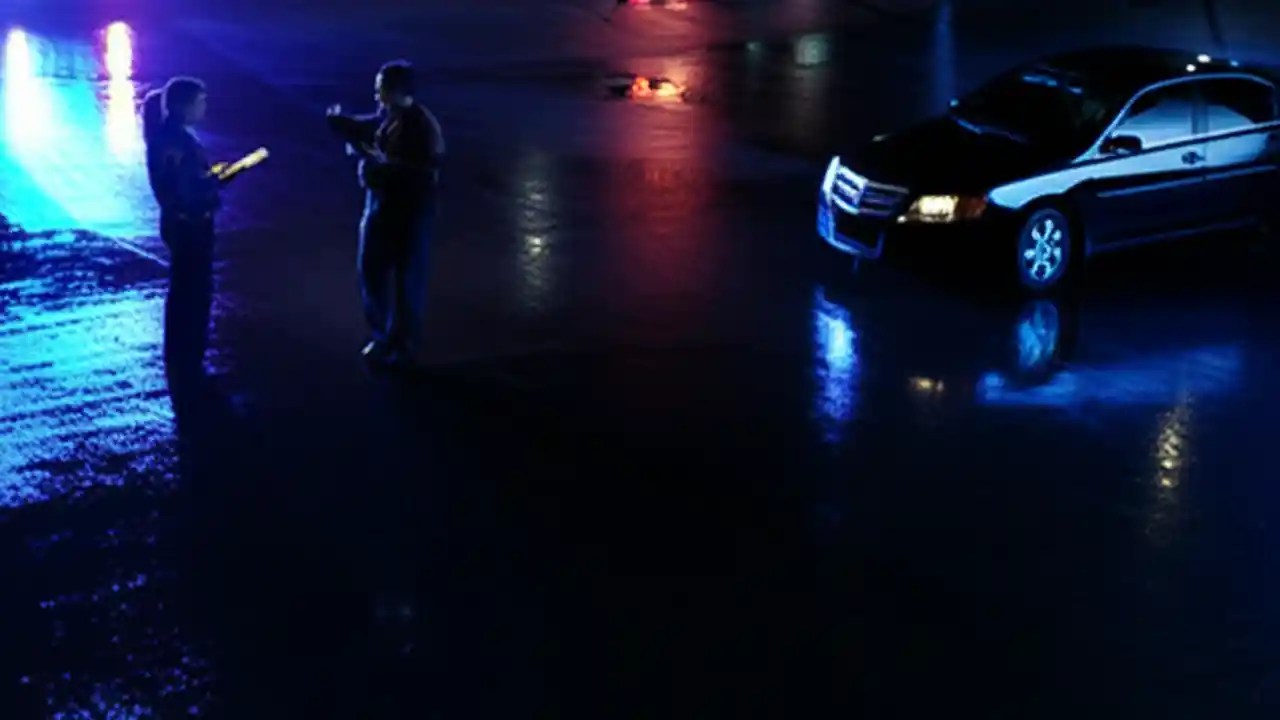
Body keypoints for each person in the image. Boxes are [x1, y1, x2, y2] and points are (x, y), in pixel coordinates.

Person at [326, 59, 444, 369]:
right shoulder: (390, 116)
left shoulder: (423, 127)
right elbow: (367, 126)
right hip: (380, 207)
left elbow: (422, 173)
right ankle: (383, 338)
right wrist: (342, 123)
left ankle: (403, 346)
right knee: (372, 272)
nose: (376, 96)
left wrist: (380, 168)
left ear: (395, 91)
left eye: (380, 90)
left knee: (406, 282)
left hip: (409, 215)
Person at [141, 76, 226, 381]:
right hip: (189, 225)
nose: (205, 107)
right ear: (184, 105)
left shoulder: (171, 138)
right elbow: (183, 188)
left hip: (182, 223)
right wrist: (214, 183)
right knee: (192, 292)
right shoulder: (176, 142)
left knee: (185, 289)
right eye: (200, 101)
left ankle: (182, 353)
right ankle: (186, 355)